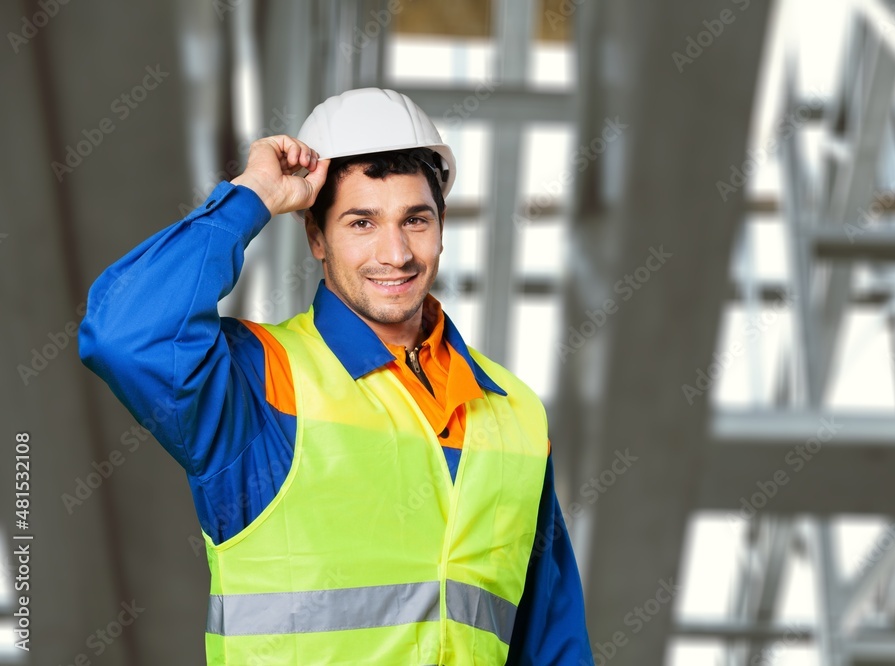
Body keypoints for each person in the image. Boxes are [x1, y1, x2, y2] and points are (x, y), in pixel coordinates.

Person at [79, 87, 593, 665]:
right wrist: (251, 198)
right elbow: (124, 332)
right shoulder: (260, 383)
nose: (395, 252)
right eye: (362, 223)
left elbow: (551, 638)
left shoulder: (516, 414)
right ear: (317, 238)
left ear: (442, 230)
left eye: (415, 220)